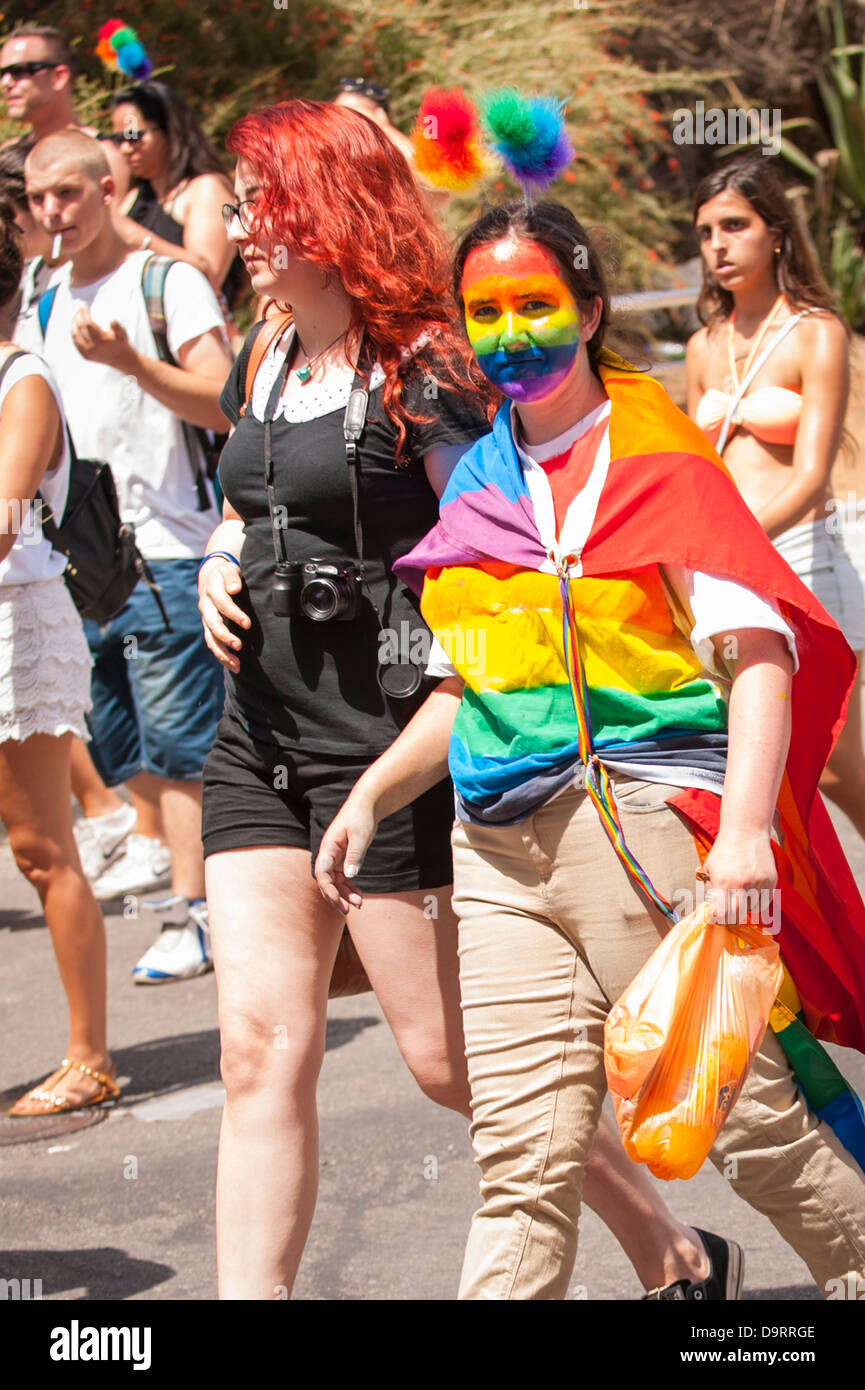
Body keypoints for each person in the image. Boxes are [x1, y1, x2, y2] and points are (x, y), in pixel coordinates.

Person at [316, 199, 865, 1299]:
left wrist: (746, 837)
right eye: (486, 312)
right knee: (519, 1169)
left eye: (536, 305)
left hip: (648, 844)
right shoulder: (473, 484)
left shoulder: (657, 464)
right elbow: (470, 683)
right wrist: (375, 791)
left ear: (590, 308)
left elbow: (760, 654)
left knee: (754, 1131)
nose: (510, 333)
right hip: (498, 858)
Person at [18, 128, 233, 983]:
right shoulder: (40, 293)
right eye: (38, 200)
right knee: (118, 739)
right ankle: (190, 890)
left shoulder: (165, 282)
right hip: (82, 560)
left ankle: (196, 915)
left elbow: (224, 402)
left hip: (170, 548)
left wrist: (130, 362)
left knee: (181, 747)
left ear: (108, 190)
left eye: (66, 194)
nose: (51, 213)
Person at [686, 155, 865, 837]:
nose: (717, 247)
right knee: (752, 751)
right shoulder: (704, 345)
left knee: (834, 762)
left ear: (776, 233)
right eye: (704, 233)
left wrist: (738, 542)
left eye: (734, 226)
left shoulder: (815, 332)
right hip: (727, 562)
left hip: (800, 552)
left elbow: (811, 477)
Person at [0, 191, 117, 1116]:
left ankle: (89, 1057)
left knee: (41, 848)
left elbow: (3, 521)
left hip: (18, 627)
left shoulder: (22, 380)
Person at [109, 81, 241, 314]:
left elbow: (208, 275)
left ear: (170, 131)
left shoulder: (205, 189)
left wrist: (138, 237)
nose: (125, 149)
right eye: (118, 139)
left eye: (134, 136)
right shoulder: (135, 197)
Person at [0, 24, 129, 195]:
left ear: (59, 77)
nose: (6, 83)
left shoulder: (106, 157)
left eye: (19, 71)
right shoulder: (7, 155)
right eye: (2, 73)